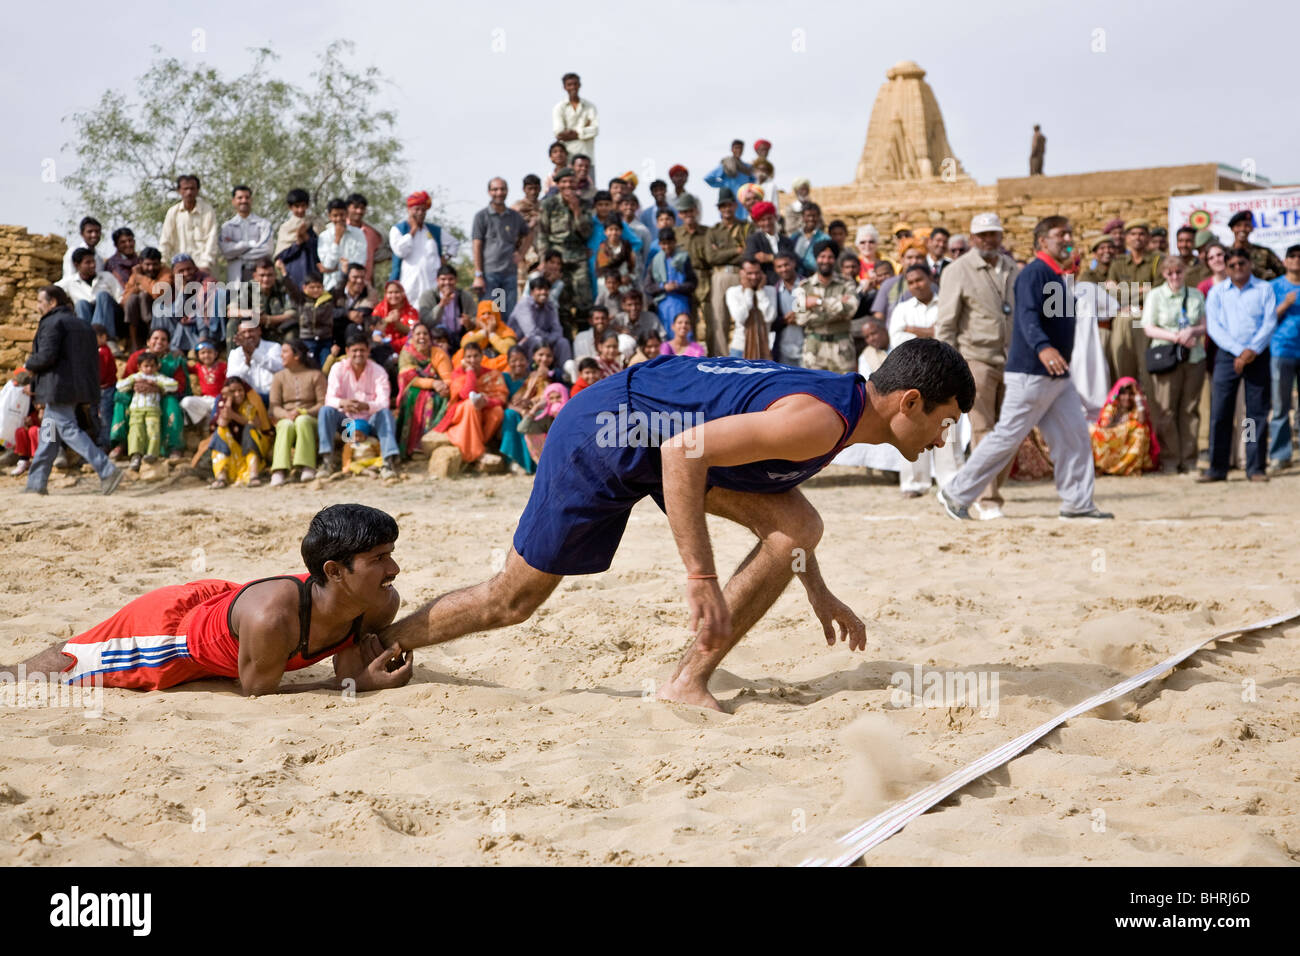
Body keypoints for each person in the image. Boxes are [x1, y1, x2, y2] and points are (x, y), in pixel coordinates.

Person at [377, 340, 973, 712]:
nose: (943, 438)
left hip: (652, 427)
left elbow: (755, 483)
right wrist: (699, 574)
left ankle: (687, 680)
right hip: (609, 430)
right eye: (944, 422)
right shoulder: (820, 421)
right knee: (513, 599)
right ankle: (381, 644)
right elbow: (682, 452)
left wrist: (819, 591)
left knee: (797, 526)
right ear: (910, 402)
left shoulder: (840, 407)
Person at [2, 505, 411, 696]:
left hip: (225, 601)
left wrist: (359, 677)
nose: (393, 569)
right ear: (334, 571)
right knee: (69, 662)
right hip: (169, 638)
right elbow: (256, 691)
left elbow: (351, 664)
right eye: (379, 559)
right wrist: (347, 685)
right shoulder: (273, 620)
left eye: (390, 554)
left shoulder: (379, 601)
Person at [938, 217, 1113, 521]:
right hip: (1031, 372)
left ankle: (1077, 503)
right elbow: (1027, 317)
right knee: (1006, 436)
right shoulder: (1034, 273)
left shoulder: (1054, 274)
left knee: (1074, 438)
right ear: (1043, 242)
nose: (1067, 238)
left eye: (1070, 233)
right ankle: (956, 493)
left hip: (1057, 375)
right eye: (1061, 234)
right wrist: (1043, 347)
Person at [934, 212, 1019, 519]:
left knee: (1011, 432)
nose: (988, 240)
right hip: (976, 358)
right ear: (972, 239)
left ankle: (972, 487)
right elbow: (946, 323)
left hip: (1012, 360)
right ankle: (988, 499)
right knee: (983, 429)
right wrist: (950, 365)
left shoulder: (1012, 268)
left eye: (993, 234)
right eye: (982, 236)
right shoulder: (958, 270)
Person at [21, 286, 124, 496]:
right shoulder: (83, 325)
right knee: (48, 435)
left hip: (58, 388)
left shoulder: (52, 322)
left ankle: (107, 469)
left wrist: (29, 364)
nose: (38, 306)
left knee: (67, 429)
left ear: (52, 303)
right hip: (78, 387)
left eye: (41, 301)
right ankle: (36, 483)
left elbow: (47, 355)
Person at [1201, 247, 1277, 483]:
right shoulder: (1217, 292)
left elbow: (1269, 322)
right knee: (1221, 411)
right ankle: (1217, 467)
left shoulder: (1264, 289)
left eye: (1241, 264)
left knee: (1254, 414)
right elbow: (1214, 327)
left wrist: (1250, 351)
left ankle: (1254, 467)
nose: (1237, 269)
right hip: (1227, 355)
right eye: (1231, 265)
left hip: (1257, 354)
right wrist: (1238, 352)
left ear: (1249, 264)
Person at [1141, 255, 1207, 473]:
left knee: (1189, 408)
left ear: (1184, 272)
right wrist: (1176, 337)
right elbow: (1149, 327)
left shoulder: (1196, 295)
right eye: (1170, 273)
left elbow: (1204, 325)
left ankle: (1189, 459)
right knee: (1166, 409)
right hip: (1167, 356)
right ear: (1164, 274)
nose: (1175, 276)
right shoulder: (1156, 295)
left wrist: (1192, 332)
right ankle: (1170, 458)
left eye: (1178, 271)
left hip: (1193, 356)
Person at [318, 330, 400, 479]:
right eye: (354, 350)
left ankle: (388, 463)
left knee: (385, 414)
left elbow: (384, 402)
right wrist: (343, 403)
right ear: (347, 351)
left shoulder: (378, 371)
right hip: (347, 423)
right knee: (326, 411)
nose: (358, 354)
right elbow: (329, 399)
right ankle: (326, 462)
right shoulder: (338, 368)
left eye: (362, 350)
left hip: (370, 422)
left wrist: (366, 406)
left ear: (368, 350)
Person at [110, 327, 189, 461]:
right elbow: (126, 377)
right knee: (121, 400)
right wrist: (135, 386)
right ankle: (121, 443)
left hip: (164, 395)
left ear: (168, 344)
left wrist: (158, 388)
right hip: (137, 395)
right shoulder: (137, 357)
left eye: (164, 340)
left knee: (172, 405)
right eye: (155, 338)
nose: (159, 342)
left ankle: (173, 447)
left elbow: (180, 385)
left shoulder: (174, 360)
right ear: (148, 341)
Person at [432, 340, 507, 465]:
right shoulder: (458, 373)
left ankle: (479, 443)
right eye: (469, 357)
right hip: (461, 411)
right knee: (470, 405)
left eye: (476, 356)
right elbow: (465, 394)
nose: (472, 360)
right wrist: (470, 372)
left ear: (482, 356)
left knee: (497, 411)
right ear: (464, 358)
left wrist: (486, 402)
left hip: (484, 408)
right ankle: (478, 453)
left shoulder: (492, 374)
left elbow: (501, 398)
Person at [792, 240, 858, 372]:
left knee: (844, 387)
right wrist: (838, 305)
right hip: (814, 349)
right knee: (813, 388)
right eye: (822, 256)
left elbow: (851, 309)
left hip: (842, 348)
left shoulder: (846, 283)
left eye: (830, 257)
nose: (826, 260)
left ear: (835, 260)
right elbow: (800, 318)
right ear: (816, 258)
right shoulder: (805, 286)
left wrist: (818, 302)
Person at [269, 339, 327, 485]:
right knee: (285, 425)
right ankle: (279, 470)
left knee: (302, 420)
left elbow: (323, 403)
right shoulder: (278, 377)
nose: (281, 355)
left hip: (311, 418)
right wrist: (286, 414)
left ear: (297, 355)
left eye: (285, 352)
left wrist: (305, 412)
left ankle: (307, 466)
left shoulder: (316, 375)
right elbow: (274, 406)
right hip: (286, 417)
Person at [389, 190, 458, 306]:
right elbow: (400, 252)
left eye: (423, 210)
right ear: (409, 210)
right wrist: (413, 231)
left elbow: (454, 243)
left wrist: (446, 257)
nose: (420, 213)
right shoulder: (398, 229)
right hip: (409, 283)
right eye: (416, 209)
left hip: (431, 282)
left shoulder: (433, 230)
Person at [471, 178, 528, 318]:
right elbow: (477, 245)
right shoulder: (482, 216)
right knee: (491, 314)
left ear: (507, 191)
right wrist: (478, 274)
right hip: (490, 274)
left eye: (502, 189)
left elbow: (528, 233)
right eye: (495, 189)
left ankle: (506, 340)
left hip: (509, 274)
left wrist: (521, 253)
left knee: (507, 315)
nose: (499, 193)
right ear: (489, 192)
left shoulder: (514, 216)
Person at [394, 322, 452, 458]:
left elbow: (448, 378)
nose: (422, 337)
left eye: (425, 334)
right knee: (417, 396)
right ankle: (412, 447)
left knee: (440, 399)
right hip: (414, 388)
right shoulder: (407, 353)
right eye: (418, 334)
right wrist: (433, 383)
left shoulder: (437, 352)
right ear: (412, 337)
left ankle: (430, 444)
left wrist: (444, 387)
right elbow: (409, 378)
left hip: (437, 390)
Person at [705, 188, 751, 356]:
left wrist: (722, 252)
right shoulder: (713, 231)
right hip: (719, 276)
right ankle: (721, 358)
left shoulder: (746, 227)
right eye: (723, 206)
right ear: (719, 209)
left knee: (743, 316)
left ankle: (746, 355)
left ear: (735, 206)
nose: (726, 209)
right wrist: (735, 251)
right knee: (719, 319)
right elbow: (711, 258)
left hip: (741, 274)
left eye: (729, 205)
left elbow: (748, 253)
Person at [152, 253, 225, 354]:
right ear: (174, 272)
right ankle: (163, 343)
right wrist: (182, 290)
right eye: (181, 271)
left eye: (189, 269)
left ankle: (207, 343)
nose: (186, 273)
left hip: (201, 321)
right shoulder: (173, 283)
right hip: (182, 319)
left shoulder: (206, 279)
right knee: (159, 307)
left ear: (195, 268)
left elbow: (202, 300)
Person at [116, 352, 178, 470]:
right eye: (146, 366)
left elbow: (174, 385)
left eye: (152, 366)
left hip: (153, 410)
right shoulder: (135, 377)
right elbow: (120, 386)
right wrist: (133, 383)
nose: (149, 369)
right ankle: (136, 455)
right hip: (136, 410)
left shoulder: (159, 377)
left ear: (157, 366)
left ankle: (152, 454)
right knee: (136, 431)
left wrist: (157, 384)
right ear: (139, 367)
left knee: (153, 431)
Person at [1268, 245, 1300, 473]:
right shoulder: (1274, 287)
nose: (1297, 260)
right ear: (1285, 261)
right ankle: (1280, 455)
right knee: (1280, 405)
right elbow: (1266, 319)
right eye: (1292, 256)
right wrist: (1285, 305)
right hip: (1282, 350)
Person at [209, 375, 272, 487]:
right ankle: (221, 476)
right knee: (220, 431)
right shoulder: (222, 401)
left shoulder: (251, 402)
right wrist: (228, 400)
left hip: (256, 442)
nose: (238, 394)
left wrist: (233, 415)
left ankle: (253, 474)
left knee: (249, 429)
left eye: (240, 390)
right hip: (235, 447)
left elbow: (255, 424)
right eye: (233, 391)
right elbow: (222, 423)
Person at [1089, 377, 1158, 475]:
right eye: (1123, 394)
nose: (1127, 397)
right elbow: (1105, 425)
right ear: (1118, 395)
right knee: (1093, 430)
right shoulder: (1113, 406)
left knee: (1141, 429)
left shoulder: (1137, 407)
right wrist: (1115, 396)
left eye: (1131, 394)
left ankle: (1131, 468)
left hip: (1128, 445)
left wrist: (1138, 396)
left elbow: (1142, 420)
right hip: (1113, 444)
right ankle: (1101, 467)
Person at [56, 248, 124, 345]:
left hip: (111, 319)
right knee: (81, 304)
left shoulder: (106, 276)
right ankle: (87, 340)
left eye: (93, 261)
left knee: (102, 296)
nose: (92, 265)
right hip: (87, 318)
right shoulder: (70, 282)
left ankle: (106, 339)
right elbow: (51, 291)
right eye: (88, 263)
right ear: (77, 265)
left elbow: (120, 297)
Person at [159, 175, 220, 273]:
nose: (189, 192)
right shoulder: (173, 212)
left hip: (203, 267)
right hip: (180, 267)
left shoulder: (208, 211)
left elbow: (211, 239)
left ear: (197, 190)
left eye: (192, 188)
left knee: (208, 287)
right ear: (179, 190)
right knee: (178, 288)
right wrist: (162, 263)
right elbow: (166, 240)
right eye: (185, 189)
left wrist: (206, 264)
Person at [510, 276, 573, 369]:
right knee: (536, 340)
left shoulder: (550, 305)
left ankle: (563, 374)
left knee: (563, 342)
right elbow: (531, 332)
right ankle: (532, 372)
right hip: (521, 343)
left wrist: (548, 341)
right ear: (532, 292)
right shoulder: (524, 305)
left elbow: (558, 330)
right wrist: (548, 340)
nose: (543, 292)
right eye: (539, 289)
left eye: (546, 289)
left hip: (544, 342)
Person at [644, 227, 697, 336]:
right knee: (665, 335)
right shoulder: (655, 261)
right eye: (663, 244)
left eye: (669, 243)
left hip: (681, 303)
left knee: (684, 333)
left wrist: (678, 287)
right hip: (662, 306)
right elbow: (648, 286)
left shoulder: (683, 258)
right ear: (659, 244)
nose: (667, 247)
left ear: (675, 242)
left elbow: (693, 283)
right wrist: (663, 287)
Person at [218, 185, 274, 284]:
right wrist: (250, 244)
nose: (244, 200)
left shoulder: (264, 224)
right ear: (233, 201)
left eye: (247, 197)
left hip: (259, 275)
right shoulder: (227, 227)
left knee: (257, 299)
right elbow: (226, 251)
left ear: (251, 200)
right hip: (236, 276)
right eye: (240, 198)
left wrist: (239, 255)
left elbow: (267, 250)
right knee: (238, 300)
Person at [120, 247, 170, 354]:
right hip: (138, 318)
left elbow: (158, 292)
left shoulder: (165, 272)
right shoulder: (135, 276)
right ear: (141, 263)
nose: (151, 268)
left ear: (160, 264)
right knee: (132, 298)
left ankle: (153, 338)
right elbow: (125, 299)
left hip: (159, 314)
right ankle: (134, 343)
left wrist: (141, 279)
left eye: (155, 264)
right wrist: (139, 288)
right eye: (147, 264)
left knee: (144, 296)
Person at [725, 258, 776, 359]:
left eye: (757, 273)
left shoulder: (770, 290)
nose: (754, 277)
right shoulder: (733, 292)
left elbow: (769, 317)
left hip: (764, 349)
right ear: (741, 273)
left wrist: (760, 292)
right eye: (749, 273)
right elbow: (740, 317)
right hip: (740, 350)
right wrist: (748, 291)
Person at [227, 318, 285, 407]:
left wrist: (254, 353)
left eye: (250, 331)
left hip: (273, 397)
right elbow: (232, 379)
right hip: (247, 398)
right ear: (239, 335)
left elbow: (279, 368)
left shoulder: (274, 347)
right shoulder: (235, 353)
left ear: (259, 331)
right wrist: (247, 363)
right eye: (243, 332)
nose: (247, 335)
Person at [317, 197, 367, 293]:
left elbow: (360, 263)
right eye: (335, 216)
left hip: (353, 287)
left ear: (347, 214)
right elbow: (327, 265)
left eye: (342, 215)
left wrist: (338, 268)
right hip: (331, 286)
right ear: (329, 216)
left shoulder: (358, 234)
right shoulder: (324, 236)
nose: (339, 219)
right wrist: (337, 239)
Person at [552, 72, 599, 174]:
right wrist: (583, 130)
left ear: (579, 85)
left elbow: (594, 130)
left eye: (575, 84)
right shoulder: (559, 108)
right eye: (569, 85)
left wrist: (572, 133)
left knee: (589, 189)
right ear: (565, 87)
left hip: (587, 158)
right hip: (568, 159)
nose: (573, 87)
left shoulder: (590, 106)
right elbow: (559, 133)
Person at [345, 193, 391, 287]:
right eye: (356, 207)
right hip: (342, 284)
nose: (359, 211)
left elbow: (384, 252)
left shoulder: (371, 232)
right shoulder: (338, 230)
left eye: (362, 208)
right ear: (347, 208)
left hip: (365, 284)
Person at [181, 339, 226, 429]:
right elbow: (184, 367)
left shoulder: (223, 366)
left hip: (218, 400)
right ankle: (202, 420)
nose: (206, 355)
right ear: (198, 355)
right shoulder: (198, 367)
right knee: (186, 402)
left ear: (215, 354)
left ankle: (211, 421)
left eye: (209, 352)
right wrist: (179, 357)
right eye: (203, 353)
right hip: (204, 400)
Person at [1228, 210, 1285, 281]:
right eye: (1238, 225)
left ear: (1252, 228)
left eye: (1247, 225)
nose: (1243, 229)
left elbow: (1284, 273)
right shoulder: (1224, 253)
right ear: (1232, 228)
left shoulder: (1264, 252)